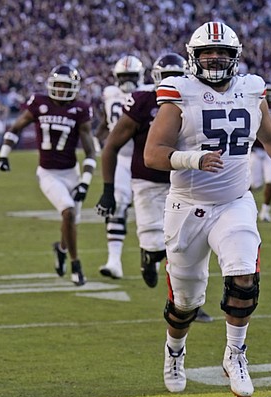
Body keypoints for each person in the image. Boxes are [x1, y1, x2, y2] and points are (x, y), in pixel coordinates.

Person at [144, 21, 271, 397]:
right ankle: (174, 351)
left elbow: (270, 136)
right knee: (185, 301)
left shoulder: (252, 90)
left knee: (244, 277)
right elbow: (152, 154)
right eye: (208, 53)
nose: (215, 59)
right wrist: (193, 158)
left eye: (222, 53)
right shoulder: (180, 93)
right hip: (188, 206)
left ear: (235, 58)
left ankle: (235, 353)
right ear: (195, 57)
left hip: (235, 202)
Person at [95, 53, 212, 323]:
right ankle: (149, 256)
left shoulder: (197, 97)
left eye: (176, 76)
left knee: (185, 250)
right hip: (147, 182)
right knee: (159, 246)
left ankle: (187, 305)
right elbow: (111, 145)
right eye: (166, 77)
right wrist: (109, 190)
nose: (171, 82)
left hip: (184, 181)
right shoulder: (143, 100)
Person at [0, 64, 98, 285]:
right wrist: (3, 154)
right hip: (48, 173)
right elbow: (15, 128)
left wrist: (84, 183)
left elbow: (91, 152)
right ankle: (76, 265)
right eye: (58, 85)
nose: (61, 90)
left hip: (72, 172)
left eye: (66, 85)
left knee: (70, 220)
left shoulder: (80, 109)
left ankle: (61, 249)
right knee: (69, 213)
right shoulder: (39, 103)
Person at [94, 55, 146, 279]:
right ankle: (114, 260)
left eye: (131, 76)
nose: (127, 81)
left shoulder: (148, 93)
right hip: (121, 159)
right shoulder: (110, 94)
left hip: (145, 158)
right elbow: (106, 122)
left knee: (153, 213)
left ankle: (151, 258)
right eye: (123, 77)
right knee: (116, 206)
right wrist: (99, 141)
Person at [250, 80, 271, 222]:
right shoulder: (255, 103)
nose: (268, 95)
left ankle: (264, 212)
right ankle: (245, 207)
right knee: (254, 184)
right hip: (256, 149)